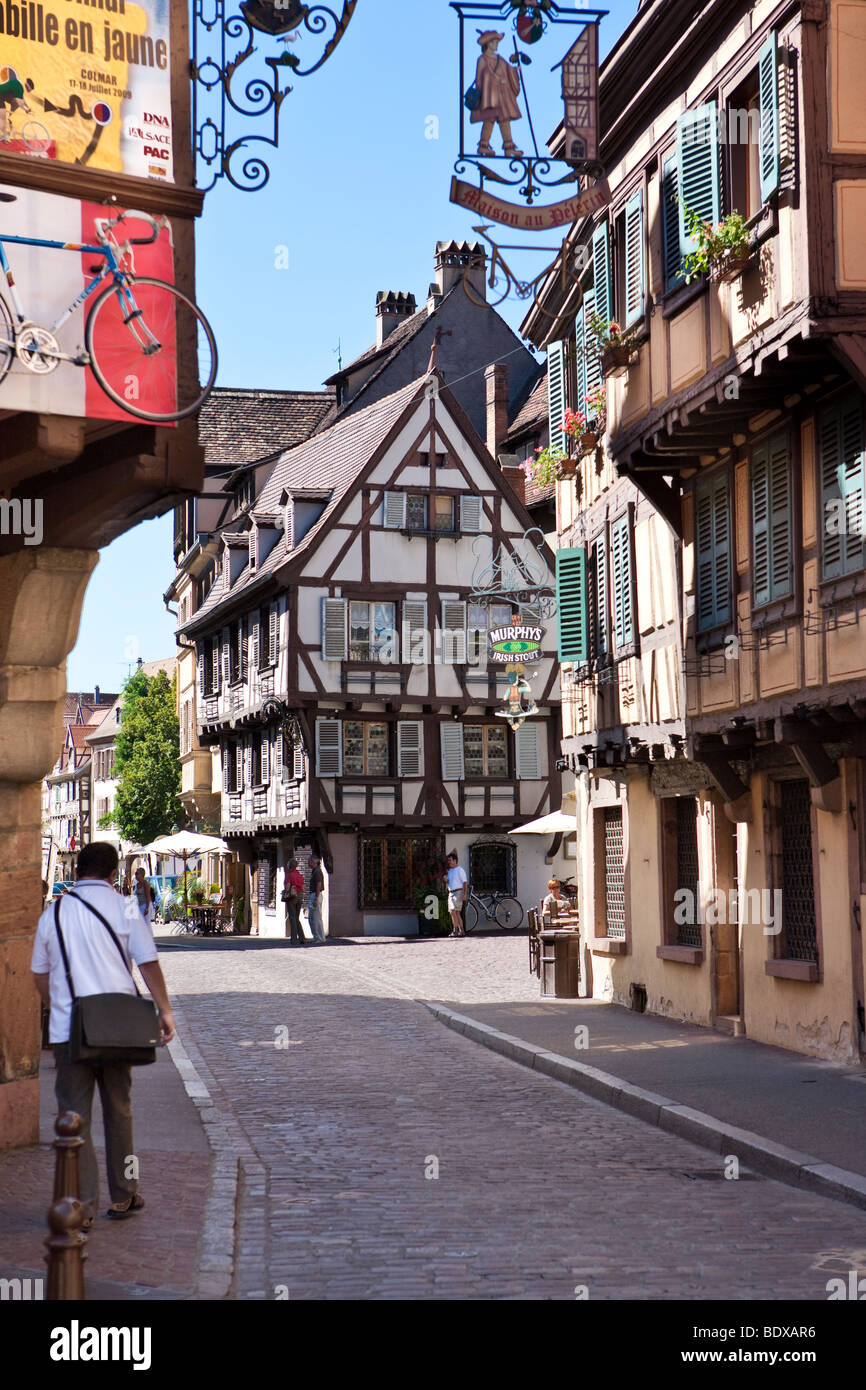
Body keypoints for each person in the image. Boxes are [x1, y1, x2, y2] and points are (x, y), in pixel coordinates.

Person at [30, 841, 176, 1227]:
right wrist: (164, 1010)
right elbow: (147, 962)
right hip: (118, 1028)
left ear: (77, 872)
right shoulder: (127, 906)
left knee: (73, 1118)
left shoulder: (54, 912)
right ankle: (125, 1193)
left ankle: (82, 1204)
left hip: (69, 1030)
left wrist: (58, 1003)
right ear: (114, 876)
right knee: (120, 1113)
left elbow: (39, 975)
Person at [471, 30, 523, 159]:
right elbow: (479, 80)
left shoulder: (500, 59)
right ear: (488, 44)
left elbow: (508, 69)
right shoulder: (482, 60)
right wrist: (494, 81)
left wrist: (515, 70)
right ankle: (483, 145)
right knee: (489, 120)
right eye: (494, 42)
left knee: (504, 120)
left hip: (503, 97)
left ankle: (509, 148)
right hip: (490, 97)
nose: (497, 44)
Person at [444, 850, 468, 938]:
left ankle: (456, 930)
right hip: (451, 893)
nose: (449, 862)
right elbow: (449, 882)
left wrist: (465, 894)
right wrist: (446, 880)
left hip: (458, 892)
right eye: (448, 860)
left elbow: (465, 882)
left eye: (450, 860)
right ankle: (461, 930)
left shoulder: (460, 870)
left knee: (454, 911)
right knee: (454, 912)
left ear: (455, 861)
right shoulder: (450, 871)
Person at [282, 857, 306, 945]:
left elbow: (288, 886)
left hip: (292, 897)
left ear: (289, 866)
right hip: (300, 896)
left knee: (292, 917)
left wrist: (285, 892)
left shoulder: (290, 875)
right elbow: (304, 888)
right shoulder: (300, 875)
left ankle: (294, 939)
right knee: (296, 917)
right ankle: (302, 937)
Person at [307, 854, 326, 944]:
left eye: (309, 861)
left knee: (316, 918)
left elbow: (319, 884)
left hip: (316, 895)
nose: (308, 863)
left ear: (313, 862)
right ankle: (316, 937)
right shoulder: (314, 871)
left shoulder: (317, 871)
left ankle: (320, 938)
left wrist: (316, 898)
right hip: (314, 894)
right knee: (312, 918)